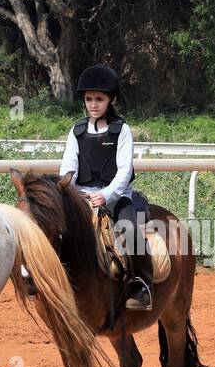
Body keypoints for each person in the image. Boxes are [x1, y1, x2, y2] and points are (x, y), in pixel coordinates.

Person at [59, 64, 153, 311]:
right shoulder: (76, 131)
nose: (93, 104)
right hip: (81, 196)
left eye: (99, 99)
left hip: (115, 196)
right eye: (89, 99)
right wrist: (70, 191)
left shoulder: (122, 130)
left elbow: (124, 171)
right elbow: (68, 167)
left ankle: (141, 284)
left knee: (130, 229)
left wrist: (106, 194)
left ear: (110, 99)